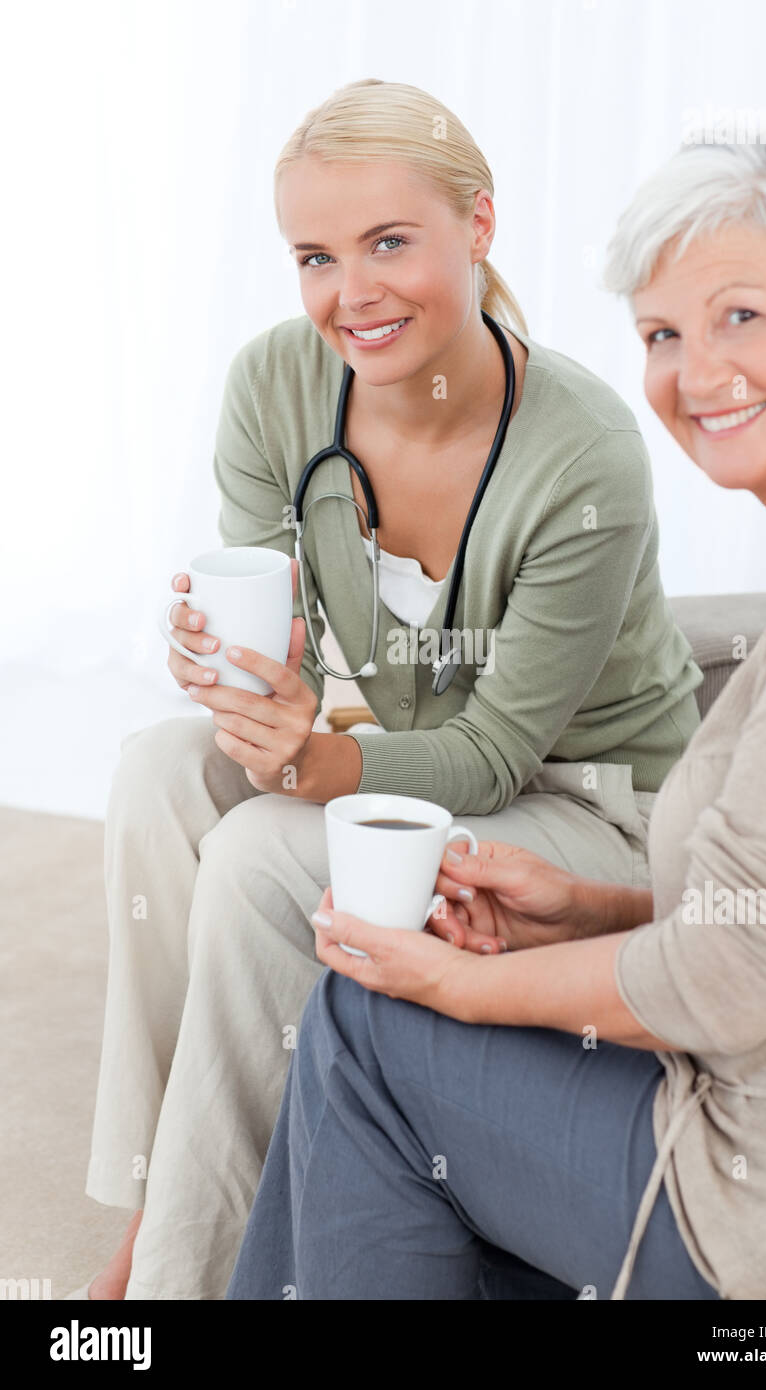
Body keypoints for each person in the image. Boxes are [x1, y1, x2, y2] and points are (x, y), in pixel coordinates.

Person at [226, 118, 766, 1302]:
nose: (698, 372)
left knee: (372, 1027)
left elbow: (726, 982)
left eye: (743, 315)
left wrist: (460, 986)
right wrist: (586, 911)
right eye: (663, 334)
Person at [74, 79, 701, 1300]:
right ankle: (166, 1201)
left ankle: (176, 1290)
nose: (349, 293)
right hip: (404, 735)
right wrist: (239, 677)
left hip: (580, 797)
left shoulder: (585, 451)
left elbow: (492, 757)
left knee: (262, 857)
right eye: (316, 255)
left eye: (389, 243)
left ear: (480, 226)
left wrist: (308, 764)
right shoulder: (277, 386)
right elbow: (289, 634)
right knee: (156, 775)